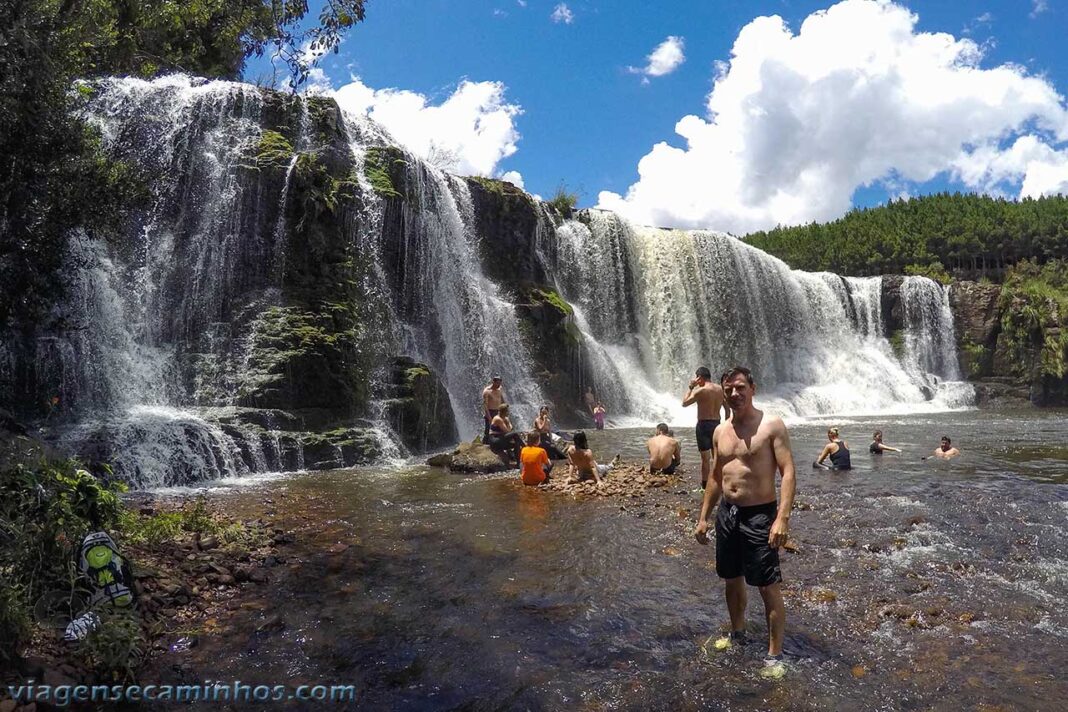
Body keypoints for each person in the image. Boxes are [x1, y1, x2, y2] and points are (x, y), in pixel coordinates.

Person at [694, 366, 797, 680]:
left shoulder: (771, 426)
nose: (735, 394)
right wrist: (703, 518)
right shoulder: (719, 431)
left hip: (760, 514)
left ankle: (774, 655)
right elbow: (715, 477)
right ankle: (738, 633)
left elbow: (788, 472)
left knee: (767, 585)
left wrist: (782, 517)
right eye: (729, 389)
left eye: (740, 387)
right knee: (731, 578)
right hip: (728, 513)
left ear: (753, 388)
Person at [682, 366, 727, 489]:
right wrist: (726, 425)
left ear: (699, 378)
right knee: (717, 457)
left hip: (703, 426)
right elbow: (727, 409)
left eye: (697, 378)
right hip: (717, 424)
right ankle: (720, 483)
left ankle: (705, 486)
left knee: (705, 459)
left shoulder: (700, 391)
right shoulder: (720, 390)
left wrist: (691, 387)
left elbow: (684, 403)